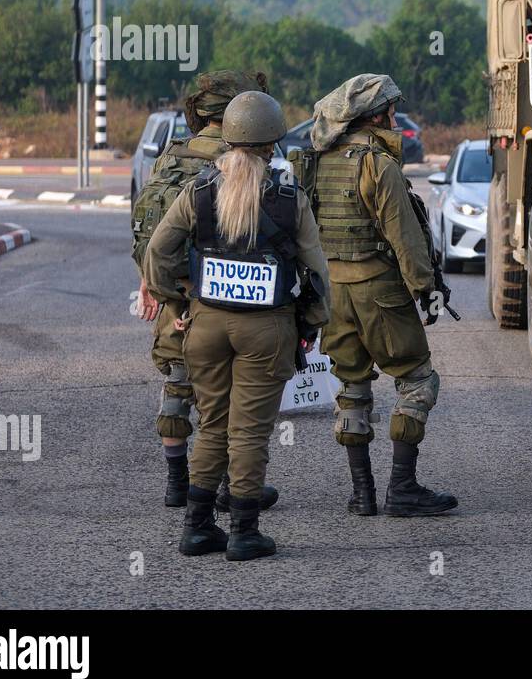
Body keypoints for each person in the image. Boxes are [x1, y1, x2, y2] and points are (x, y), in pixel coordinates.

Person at [144, 91, 330, 561]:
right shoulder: (290, 199)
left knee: (211, 426)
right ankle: (245, 533)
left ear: (228, 138)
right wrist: (310, 322)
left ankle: (198, 529)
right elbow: (317, 272)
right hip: (266, 331)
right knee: (248, 434)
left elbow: (157, 255)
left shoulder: (200, 192)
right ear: (272, 144)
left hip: (205, 327)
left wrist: (179, 299)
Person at [131, 70, 283, 512]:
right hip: (224, 296)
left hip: (173, 296)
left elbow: (153, 229)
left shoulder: (172, 155)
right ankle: (226, 490)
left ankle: (177, 484)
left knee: (178, 386)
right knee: (229, 402)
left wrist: (154, 286)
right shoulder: (243, 159)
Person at [306, 74, 457, 517]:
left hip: (333, 294)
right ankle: (403, 489)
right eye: (391, 110)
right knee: (417, 381)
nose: (395, 118)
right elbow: (406, 239)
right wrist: (426, 293)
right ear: (375, 116)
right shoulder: (377, 165)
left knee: (352, 387)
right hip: (379, 292)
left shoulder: (318, 164)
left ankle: (362, 493)